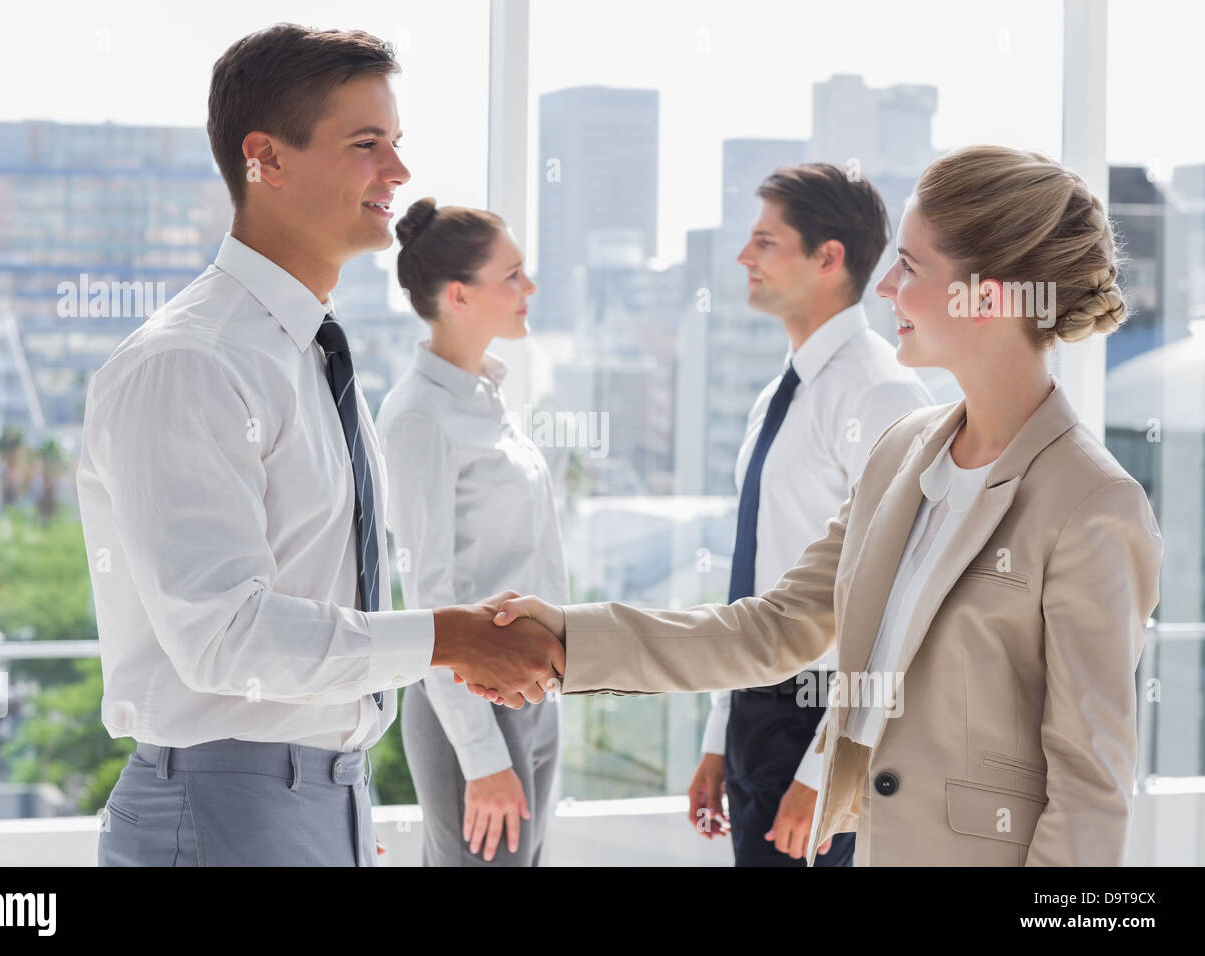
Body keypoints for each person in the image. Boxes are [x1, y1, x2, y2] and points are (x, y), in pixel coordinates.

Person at [483, 145, 1164, 866]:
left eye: (912, 265)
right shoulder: (903, 454)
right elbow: (772, 628)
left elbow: (1090, 795)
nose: (887, 287)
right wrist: (565, 638)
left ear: (987, 296)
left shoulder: (1092, 507)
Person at [78, 24, 561, 868]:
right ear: (264, 157)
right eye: (366, 144)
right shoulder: (192, 360)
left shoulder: (307, 353)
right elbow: (225, 637)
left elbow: (318, 594)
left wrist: (333, 793)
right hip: (228, 809)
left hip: (313, 797)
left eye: (398, 143)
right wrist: (447, 636)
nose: (400, 173)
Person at [688, 164, 932, 866]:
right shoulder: (777, 396)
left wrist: (824, 773)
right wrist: (719, 737)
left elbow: (893, 605)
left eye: (765, 241)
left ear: (828, 257)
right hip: (758, 718)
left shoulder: (881, 395)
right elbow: (757, 578)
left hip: (821, 725)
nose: (743, 258)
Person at [376, 198, 567, 866]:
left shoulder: (488, 401)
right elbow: (429, 592)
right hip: (472, 707)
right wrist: (482, 756)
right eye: (512, 275)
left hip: (535, 695)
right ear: (459, 295)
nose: (529, 289)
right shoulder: (418, 418)